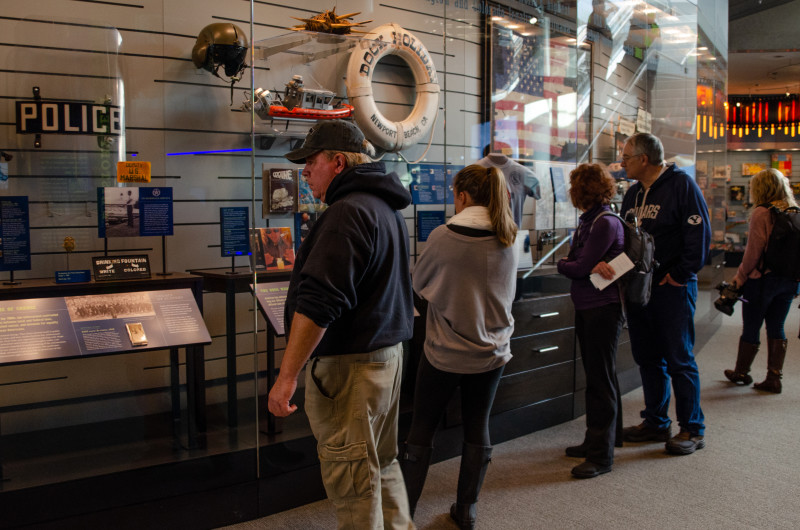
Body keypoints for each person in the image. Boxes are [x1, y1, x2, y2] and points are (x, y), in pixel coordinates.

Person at [267, 119, 415, 529]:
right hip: (384, 362)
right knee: (381, 466)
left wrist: (286, 377)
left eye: (310, 162)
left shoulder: (345, 213)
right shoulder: (383, 208)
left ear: (336, 163)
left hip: (350, 373)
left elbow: (319, 306)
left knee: (353, 485)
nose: (305, 172)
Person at [401, 165, 518, 529]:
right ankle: (466, 510)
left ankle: (404, 512)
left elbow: (419, 285)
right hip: (493, 351)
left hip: (444, 351)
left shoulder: (442, 236)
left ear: (462, 196)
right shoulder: (509, 235)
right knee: (477, 426)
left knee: (422, 428)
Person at [619, 133, 711, 455]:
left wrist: (680, 275)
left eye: (626, 157)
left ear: (644, 159)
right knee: (647, 358)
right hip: (640, 290)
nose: (622, 162)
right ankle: (656, 423)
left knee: (679, 359)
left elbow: (699, 235)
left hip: (672, 288)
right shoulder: (632, 194)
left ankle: (692, 429)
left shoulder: (682, 186)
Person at [557, 163, 625, 478]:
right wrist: (576, 263)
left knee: (601, 381)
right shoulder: (591, 221)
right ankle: (595, 440)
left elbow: (579, 265)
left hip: (602, 307)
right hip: (590, 306)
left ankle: (601, 456)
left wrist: (564, 263)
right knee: (596, 377)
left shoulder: (603, 223)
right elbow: (581, 262)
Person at [724, 168, 799, 393]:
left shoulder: (762, 212)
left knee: (752, 326)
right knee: (777, 326)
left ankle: (741, 372)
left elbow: (753, 253)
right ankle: (774, 377)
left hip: (762, 280)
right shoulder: (795, 210)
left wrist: (740, 276)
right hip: (788, 280)